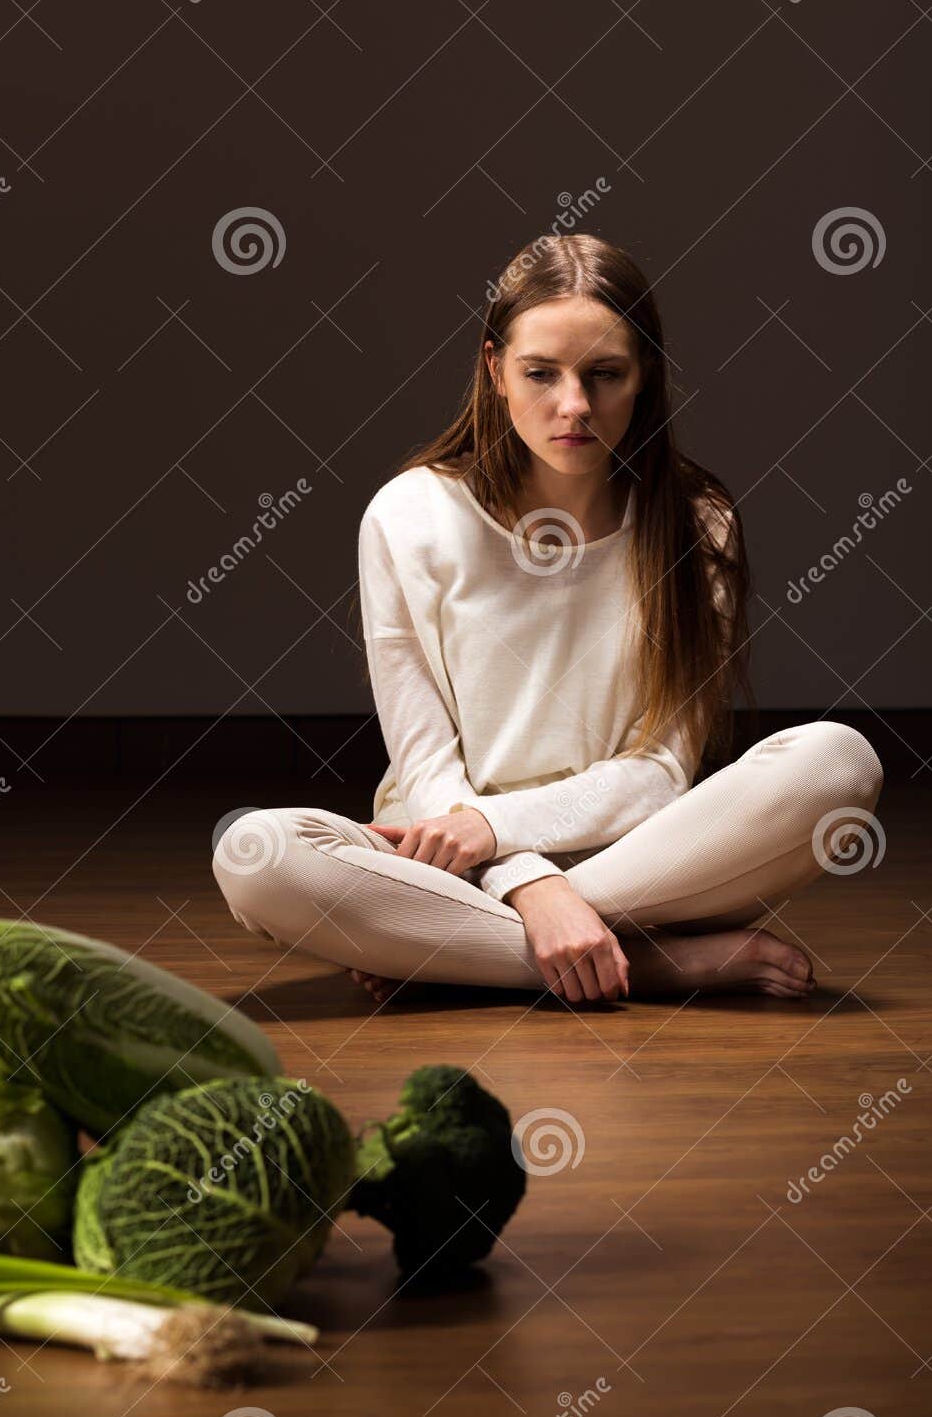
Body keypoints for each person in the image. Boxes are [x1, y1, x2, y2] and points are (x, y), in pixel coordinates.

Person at [212, 234, 883, 1009]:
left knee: (837, 762)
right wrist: (527, 880)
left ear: (645, 377)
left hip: (640, 863)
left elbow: (659, 775)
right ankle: (657, 964)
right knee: (256, 854)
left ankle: (461, 954)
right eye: (540, 373)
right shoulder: (409, 515)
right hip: (443, 857)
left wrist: (513, 850)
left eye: (604, 375)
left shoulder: (698, 525)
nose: (574, 406)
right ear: (494, 370)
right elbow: (428, 773)